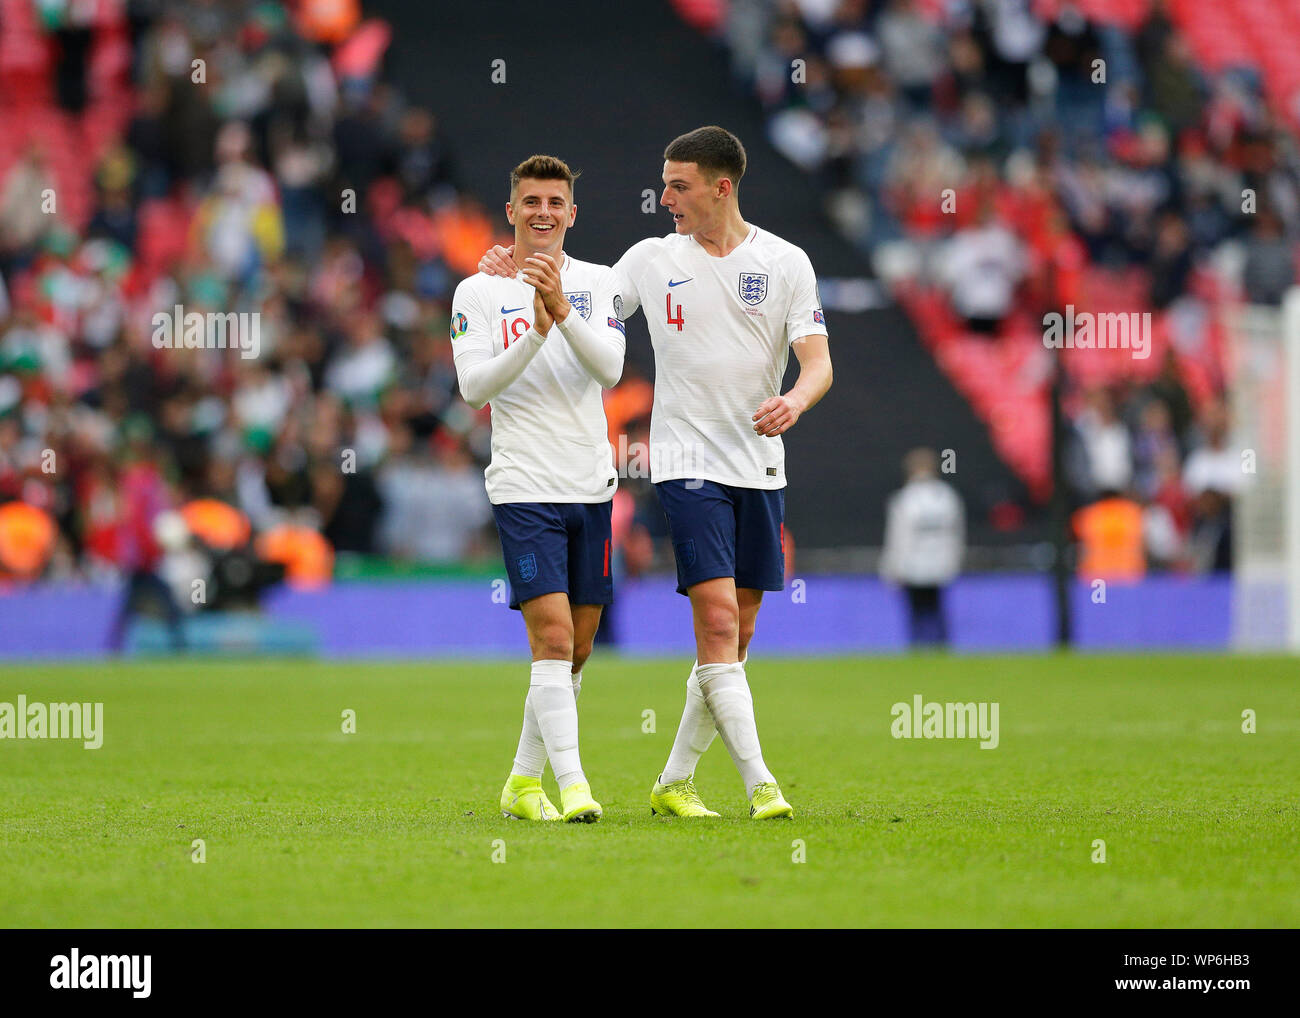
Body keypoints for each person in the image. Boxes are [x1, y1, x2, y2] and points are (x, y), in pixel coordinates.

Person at [480, 126, 833, 819]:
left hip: (760, 465)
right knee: (719, 622)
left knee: (738, 637)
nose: (664, 198)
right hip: (685, 464)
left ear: (721, 188)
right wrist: (512, 266)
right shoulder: (649, 259)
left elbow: (818, 363)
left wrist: (794, 400)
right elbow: (577, 298)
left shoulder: (786, 261)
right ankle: (762, 785)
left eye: (677, 186)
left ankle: (674, 780)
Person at [452, 155, 626, 823]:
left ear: (572, 213)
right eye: (531, 201)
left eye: (555, 202)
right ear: (511, 211)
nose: (543, 212)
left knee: (577, 648)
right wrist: (536, 332)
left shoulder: (599, 283)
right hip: (524, 484)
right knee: (551, 639)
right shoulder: (478, 291)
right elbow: (474, 389)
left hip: (591, 484)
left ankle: (523, 784)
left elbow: (610, 369)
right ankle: (575, 787)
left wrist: (561, 309)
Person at [880, 448, 965, 646]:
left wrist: (891, 567)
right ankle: (942, 647)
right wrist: (954, 561)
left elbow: (898, 537)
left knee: (916, 613)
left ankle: (918, 647)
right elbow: (957, 534)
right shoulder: (947, 496)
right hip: (941, 565)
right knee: (937, 609)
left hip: (912, 566)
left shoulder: (904, 499)